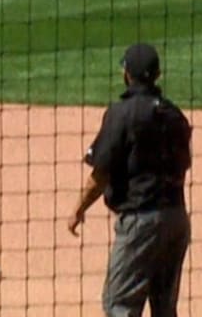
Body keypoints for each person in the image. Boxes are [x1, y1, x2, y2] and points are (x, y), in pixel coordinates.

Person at [68, 42, 193, 317]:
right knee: (164, 308)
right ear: (157, 74)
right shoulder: (175, 116)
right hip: (176, 220)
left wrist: (78, 210)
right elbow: (184, 165)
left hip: (140, 223)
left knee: (119, 305)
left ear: (127, 74)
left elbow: (100, 173)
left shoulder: (122, 113)